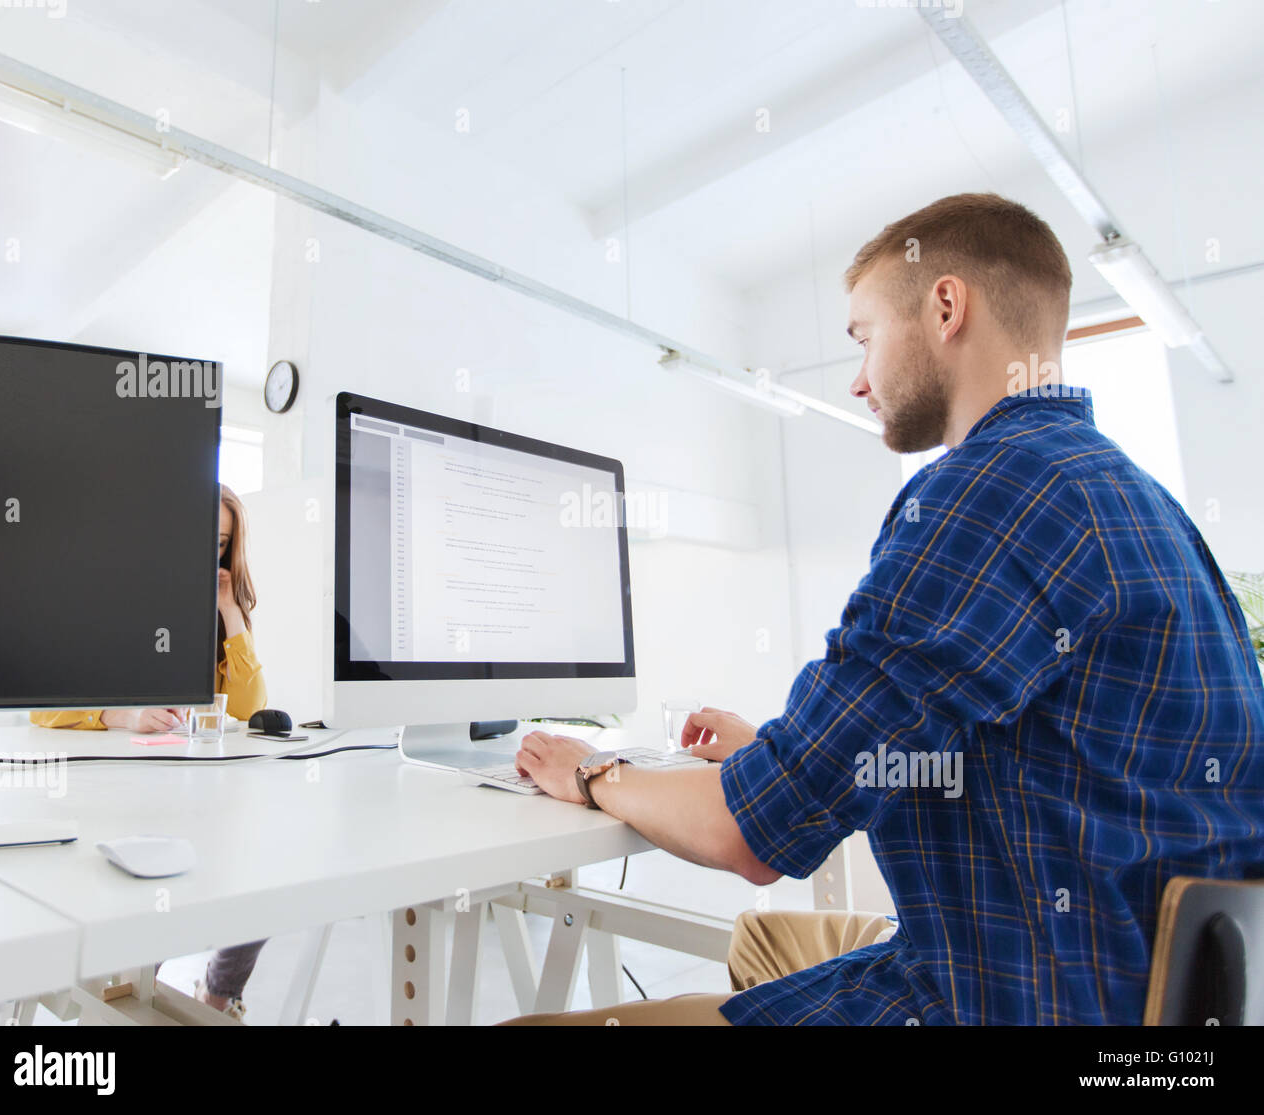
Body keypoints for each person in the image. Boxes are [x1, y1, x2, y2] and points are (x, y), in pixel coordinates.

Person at [501, 193, 1264, 1025]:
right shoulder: (1137, 497)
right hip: (1150, 994)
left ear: (945, 306)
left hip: (1006, 998)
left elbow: (747, 841)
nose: (860, 378)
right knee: (764, 945)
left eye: (864, 337)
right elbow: (1027, 764)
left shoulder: (985, 493)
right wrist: (788, 753)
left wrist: (592, 770)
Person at [31, 483, 270, 1020]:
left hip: (194, 789)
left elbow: (249, 706)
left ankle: (216, 993)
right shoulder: (116, 592)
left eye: (222, 544)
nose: (207, 553)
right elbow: (40, 706)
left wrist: (229, 609)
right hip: (116, 796)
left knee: (263, 871)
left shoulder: (213, 611)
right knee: (142, 898)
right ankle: (136, 985)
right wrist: (117, 715)